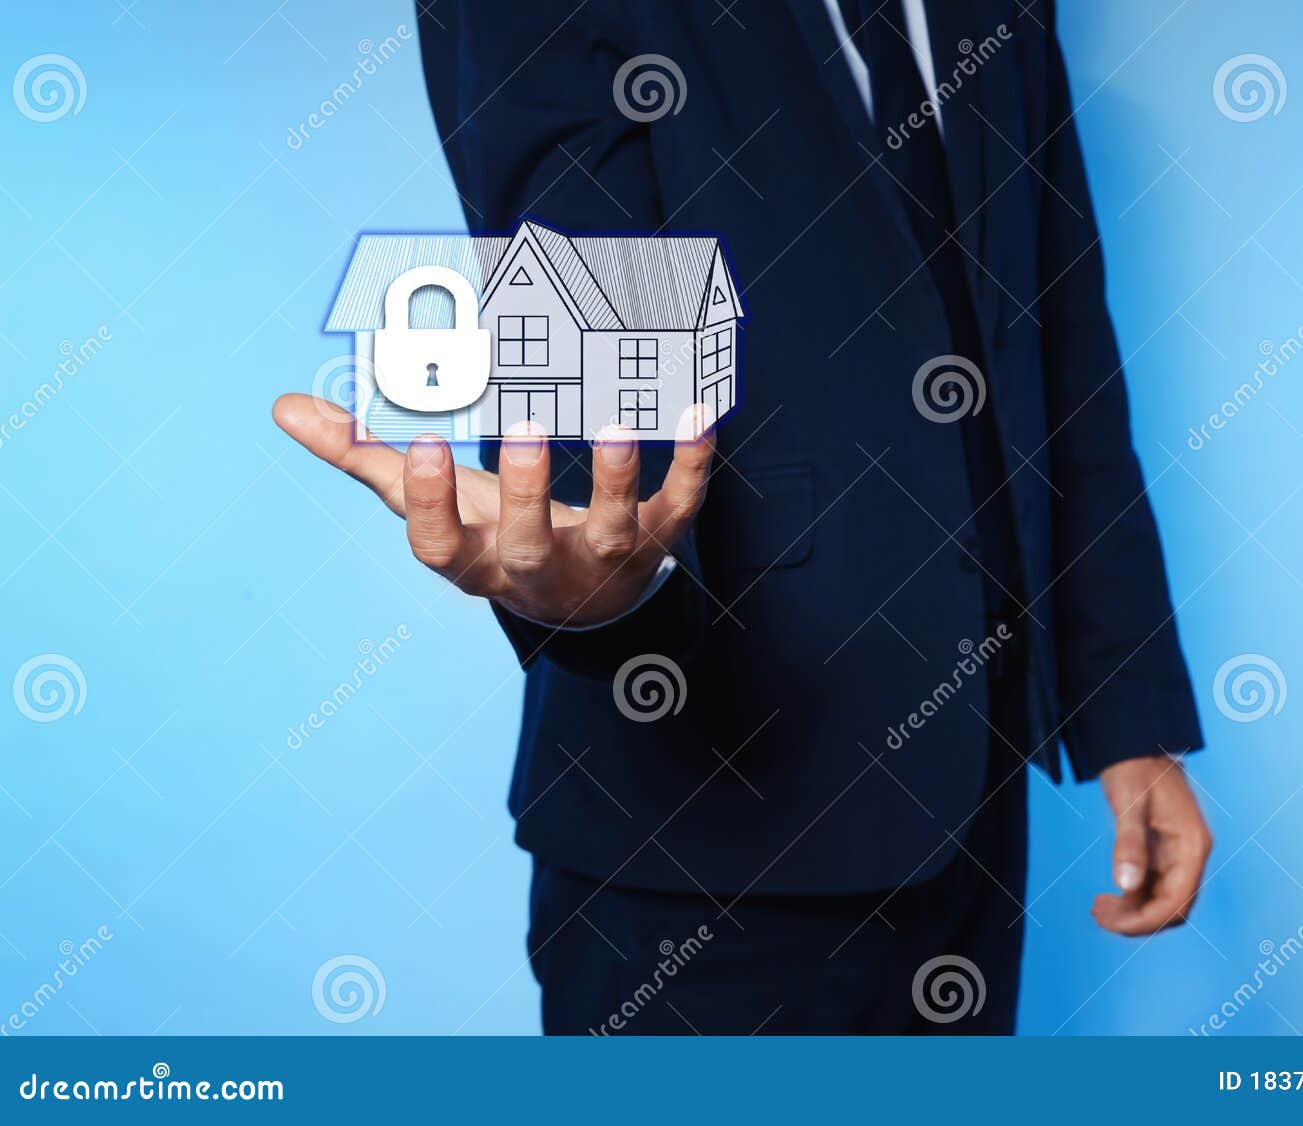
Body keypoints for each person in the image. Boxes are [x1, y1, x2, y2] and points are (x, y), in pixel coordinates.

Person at [273, 0, 1212, 1034]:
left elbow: (1059, 342)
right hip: (704, 835)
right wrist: (602, 580)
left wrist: (1128, 717)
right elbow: (587, 321)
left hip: (975, 801)